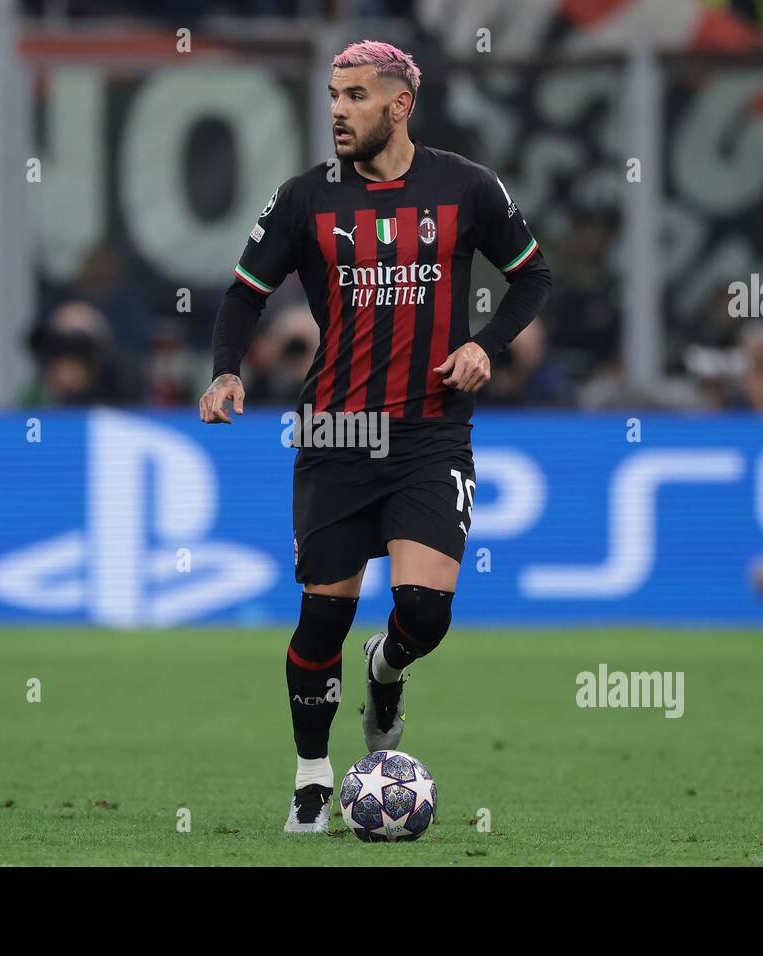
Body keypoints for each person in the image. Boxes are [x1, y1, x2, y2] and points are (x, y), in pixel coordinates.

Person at [198, 40, 551, 833]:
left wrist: (484, 348)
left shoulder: (466, 187)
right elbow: (243, 295)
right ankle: (313, 777)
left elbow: (533, 275)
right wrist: (226, 372)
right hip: (335, 431)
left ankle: (385, 669)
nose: (337, 111)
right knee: (323, 614)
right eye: (332, 95)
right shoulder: (304, 199)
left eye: (355, 95)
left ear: (400, 104)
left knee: (424, 611)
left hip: (430, 434)